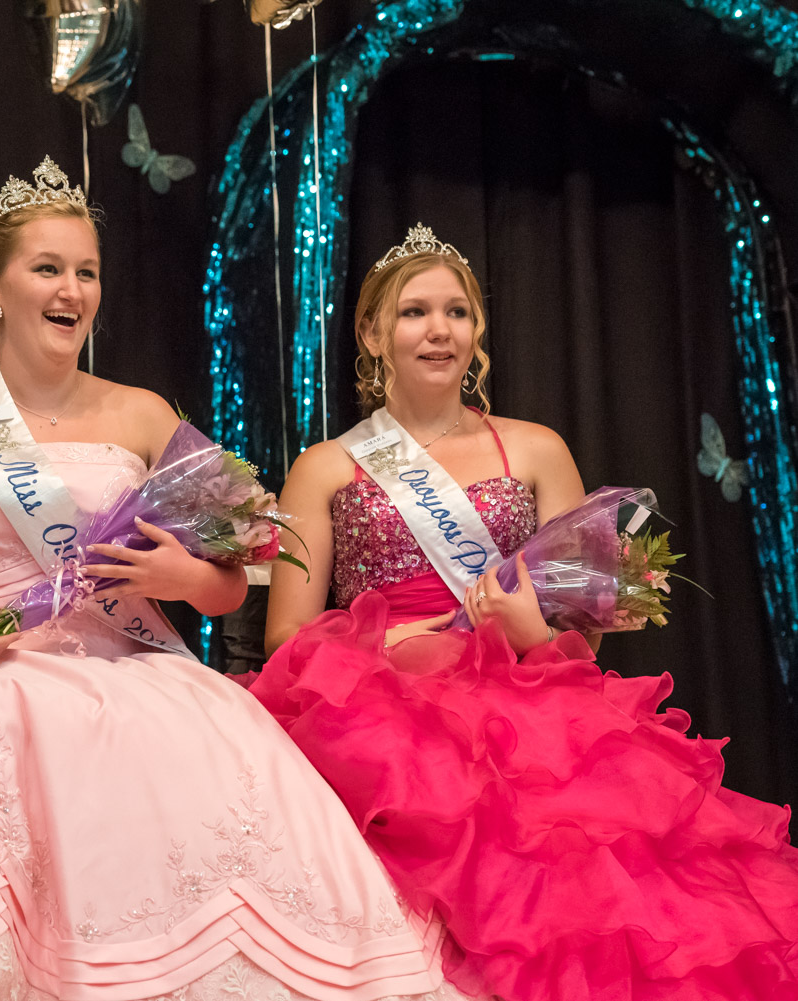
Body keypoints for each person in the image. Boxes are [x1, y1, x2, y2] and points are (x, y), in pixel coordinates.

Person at [0, 158, 471, 1001]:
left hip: (138, 671)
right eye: (49, 269)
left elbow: (227, 584)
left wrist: (182, 571)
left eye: (87, 272)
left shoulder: (143, 413)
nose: (72, 289)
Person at [251, 225, 798, 1001]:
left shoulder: (538, 449)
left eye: (457, 312)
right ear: (373, 332)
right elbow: (285, 638)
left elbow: (580, 630)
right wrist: (401, 637)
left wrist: (529, 630)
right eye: (414, 312)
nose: (439, 330)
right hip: (380, 718)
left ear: (478, 331)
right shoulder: (324, 466)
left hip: (530, 709)